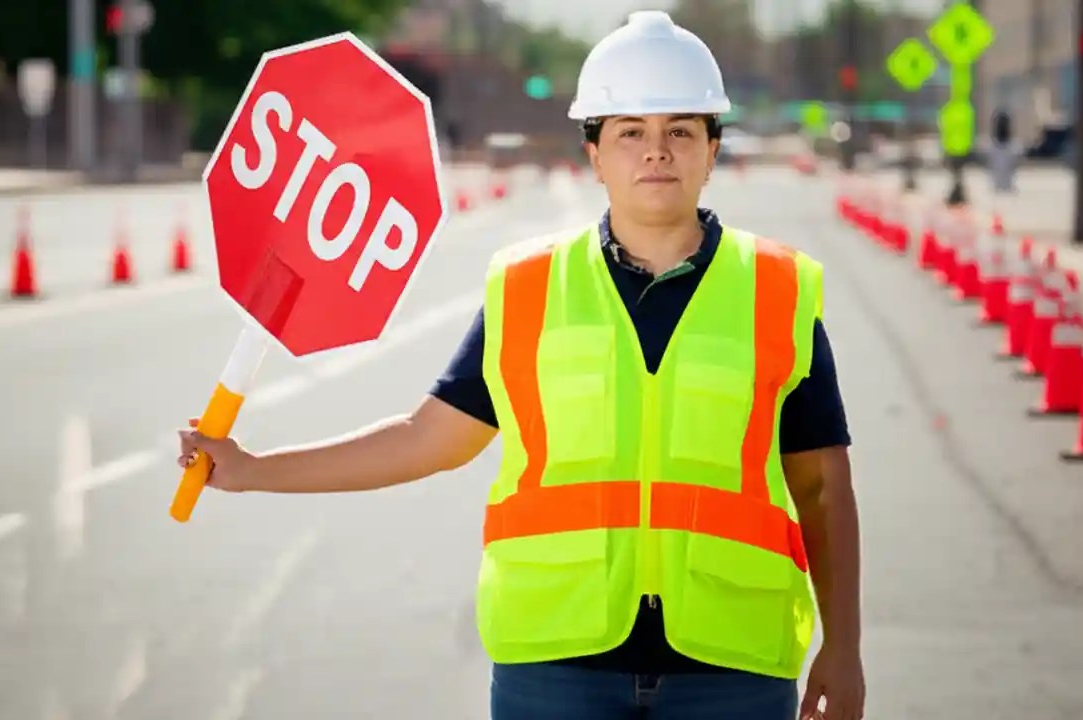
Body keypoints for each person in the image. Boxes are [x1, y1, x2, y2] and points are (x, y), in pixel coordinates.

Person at [177, 11, 864, 720]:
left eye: (680, 131)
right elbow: (426, 438)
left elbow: (820, 485)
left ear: (713, 149)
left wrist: (844, 648)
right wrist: (255, 469)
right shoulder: (528, 288)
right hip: (556, 668)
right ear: (594, 152)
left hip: (732, 669)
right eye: (630, 132)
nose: (656, 152)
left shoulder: (777, 290)